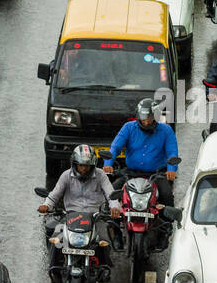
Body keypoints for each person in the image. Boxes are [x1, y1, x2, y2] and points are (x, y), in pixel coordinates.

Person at [38, 144, 121, 272]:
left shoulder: (101, 175)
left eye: (87, 165)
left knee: (103, 242)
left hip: (95, 217)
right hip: (70, 216)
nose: (83, 169)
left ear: (93, 165)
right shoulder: (66, 175)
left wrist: (115, 208)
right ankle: (54, 271)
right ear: (74, 164)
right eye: (81, 165)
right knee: (56, 241)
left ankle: (104, 271)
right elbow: (54, 195)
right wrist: (46, 205)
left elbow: (112, 196)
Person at [103, 99, 178, 210]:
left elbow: (172, 152)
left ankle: (167, 226)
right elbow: (115, 147)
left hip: (156, 175)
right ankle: (111, 224)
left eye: (149, 119)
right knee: (111, 192)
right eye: (144, 119)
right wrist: (108, 163)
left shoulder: (166, 130)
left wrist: (171, 169)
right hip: (130, 173)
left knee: (167, 196)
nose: (146, 122)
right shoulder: (128, 127)